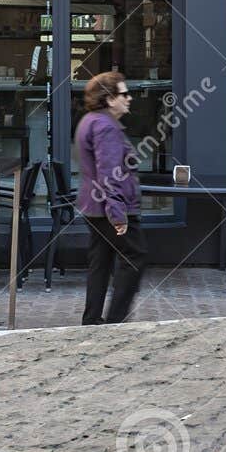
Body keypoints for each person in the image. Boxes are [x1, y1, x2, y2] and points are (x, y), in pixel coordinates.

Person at [76, 71, 146, 326]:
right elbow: (109, 173)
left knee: (101, 261)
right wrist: (118, 214)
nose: (129, 98)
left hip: (93, 206)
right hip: (109, 208)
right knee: (135, 257)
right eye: (124, 94)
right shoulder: (106, 127)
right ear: (109, 99)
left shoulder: (91, 120)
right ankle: (116, 320)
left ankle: (92, 319)